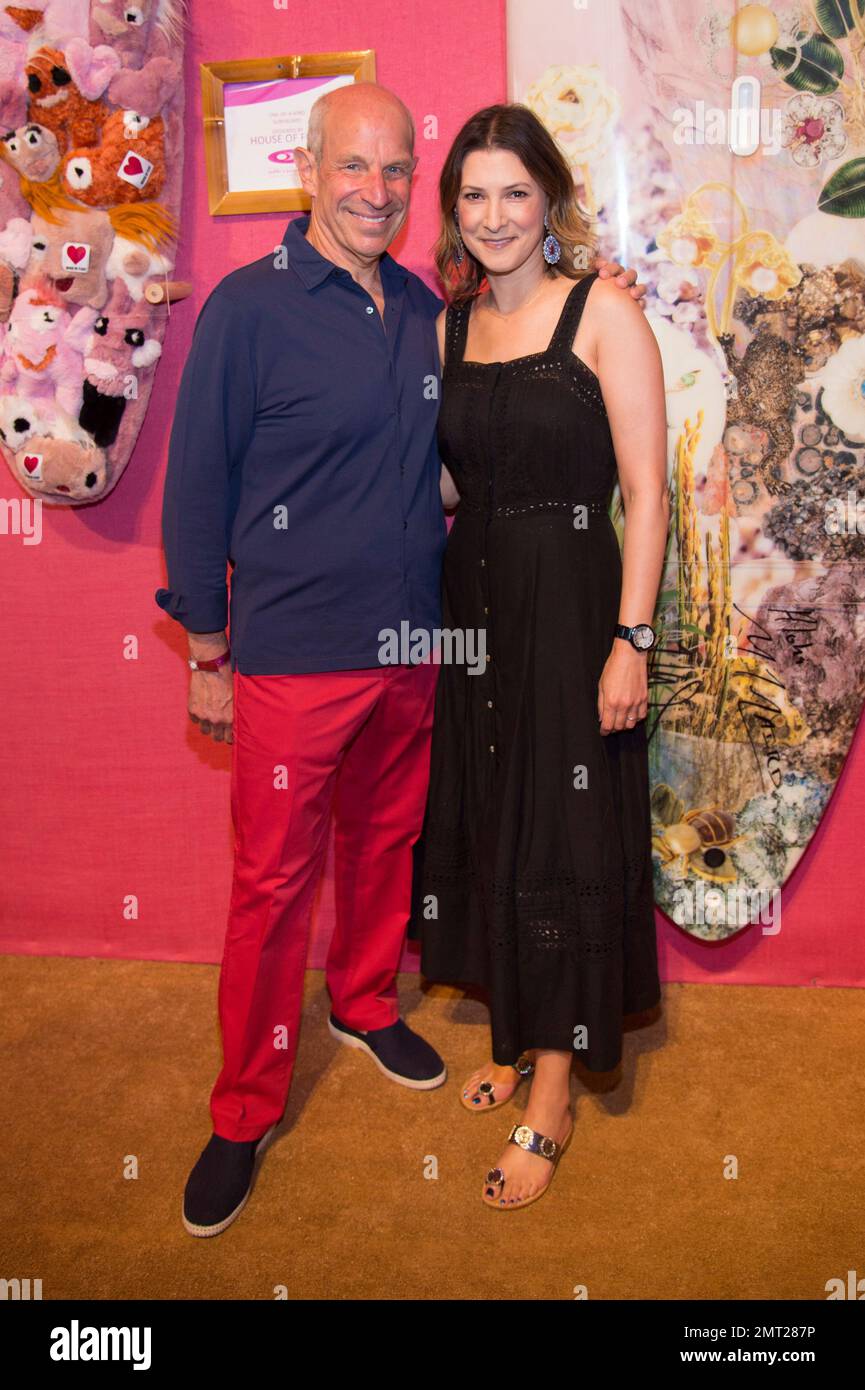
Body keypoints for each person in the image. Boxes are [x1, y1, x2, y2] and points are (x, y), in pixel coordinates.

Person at [154, 81, 646, 1237]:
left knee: (386, 848)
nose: (372, 192)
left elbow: (482, 449)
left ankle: (367, 1002)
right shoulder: (245, 309)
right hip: (288, 650)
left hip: (420, 640)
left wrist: (600, 297)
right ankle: (241, 1112)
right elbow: (195, 484)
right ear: (309, 170)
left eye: (393, 169)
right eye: (350, 167)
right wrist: (206, 648)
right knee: (273, 887)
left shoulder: (431, 309)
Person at [409, 103, 669, 1210]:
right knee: (494, 808)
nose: (494, 215)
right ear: (453, 212)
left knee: (560, 826)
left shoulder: (602, 313)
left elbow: (650, 495)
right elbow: (456, 483)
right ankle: (518, 1034)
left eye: (515, 191)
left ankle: (553, 1090)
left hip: (572, 606)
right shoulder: (446, 328)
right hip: (475, 607)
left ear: (549, 198)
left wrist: (631, 640)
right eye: (472, 194)